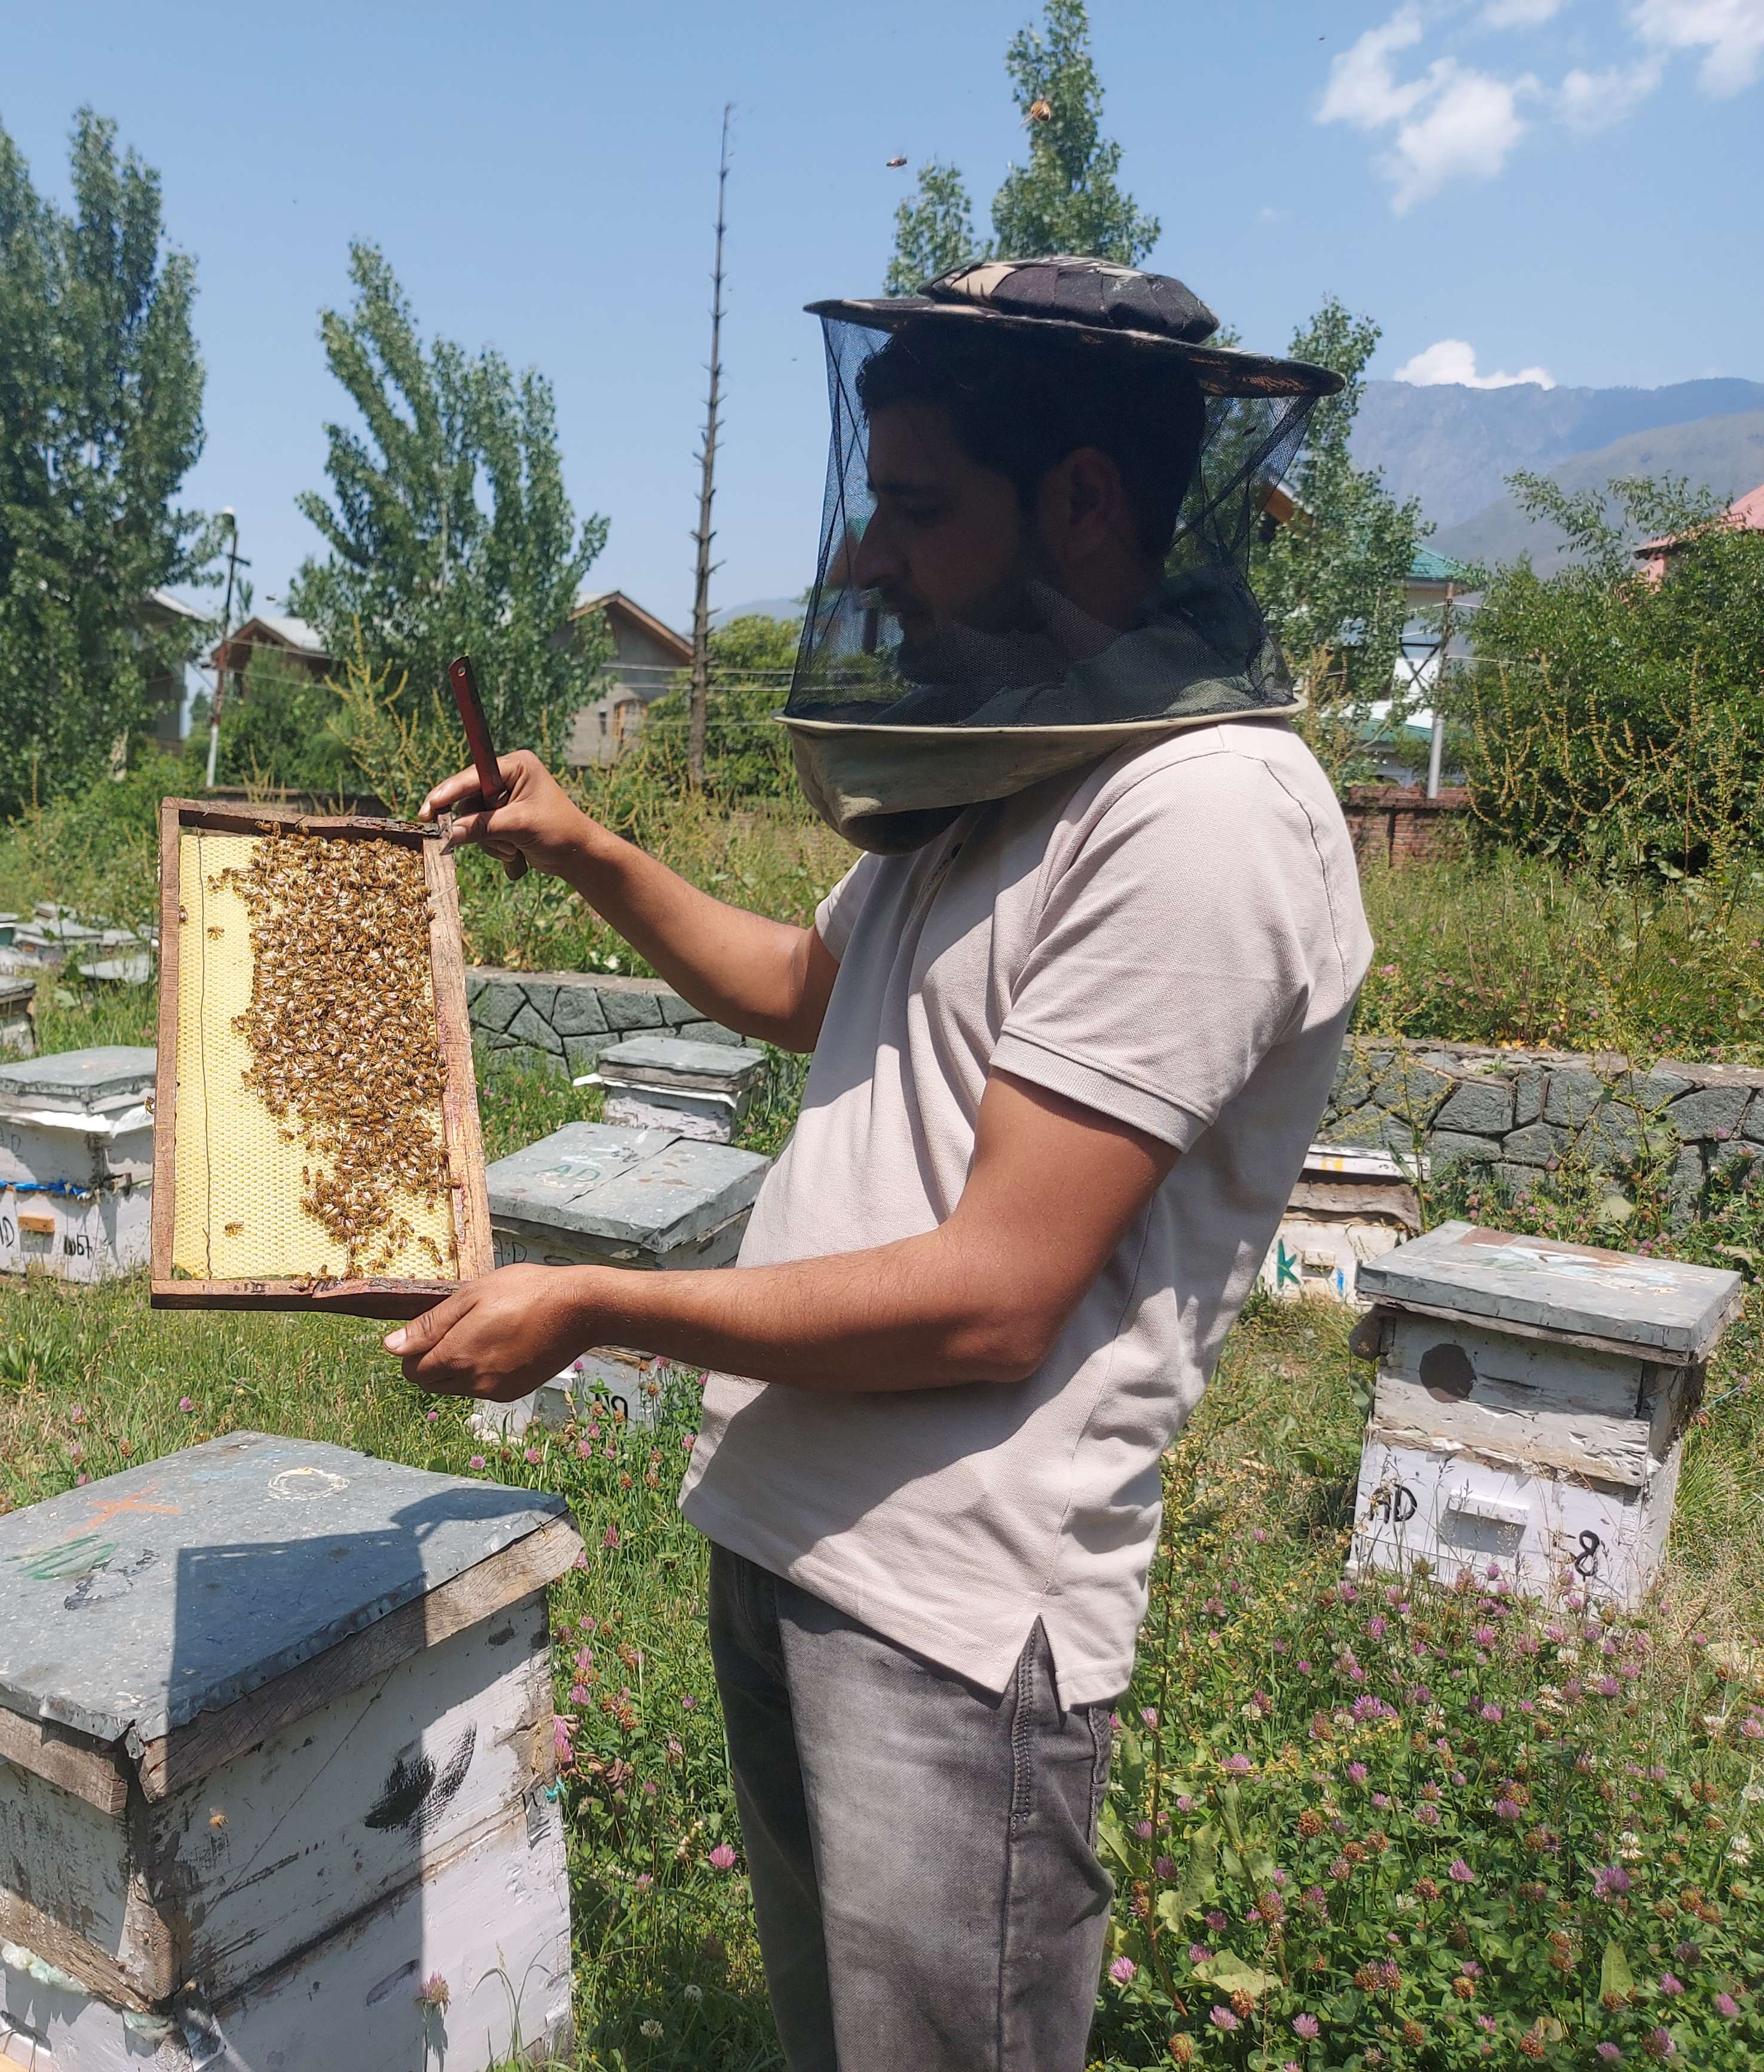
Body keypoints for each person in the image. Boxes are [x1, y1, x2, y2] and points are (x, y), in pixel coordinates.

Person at [387, 256, 1374, 2072]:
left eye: (915, 511)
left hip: (951, 1614)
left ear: (1080, 502)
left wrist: (602, 1299)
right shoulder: (1003, 763)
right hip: (793, 1533)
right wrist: (587, 845)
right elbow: (804, 986)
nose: (863, 560)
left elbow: (1000, 1297)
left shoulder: (1200, 812)